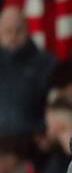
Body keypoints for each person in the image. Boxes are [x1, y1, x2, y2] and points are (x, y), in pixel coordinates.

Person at [0, 9, 56, 141]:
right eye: (8, 31)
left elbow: (55, 104)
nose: (13, 36)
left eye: (18, 31)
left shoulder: (47, 64)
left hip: (33, 144)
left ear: (28, 30)